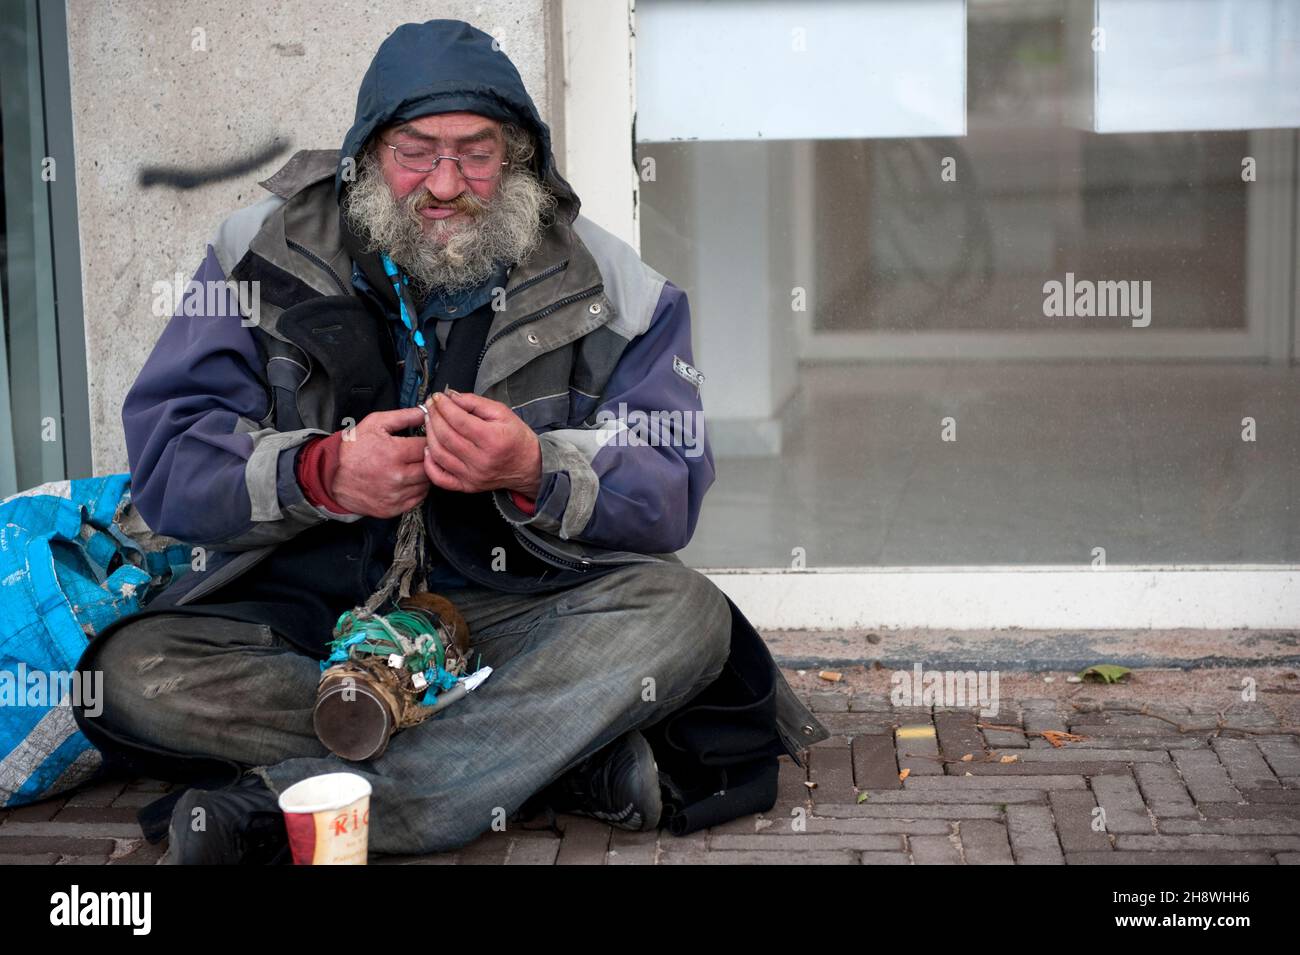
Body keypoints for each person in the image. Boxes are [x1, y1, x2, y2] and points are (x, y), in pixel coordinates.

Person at [72, 18, 825, 864]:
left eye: (476, 153)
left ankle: (284, 809)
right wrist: (320, 473)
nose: (444, 183)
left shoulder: (616, 288)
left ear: (518, 161)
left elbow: (672, 479)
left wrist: (536, 467)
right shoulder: (258, 256)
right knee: (133, 677)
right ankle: (546, 758)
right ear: (365, 155)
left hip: (511, 613)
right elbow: (172, 463)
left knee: (684, 617)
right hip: (310, 614)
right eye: (415, 151)